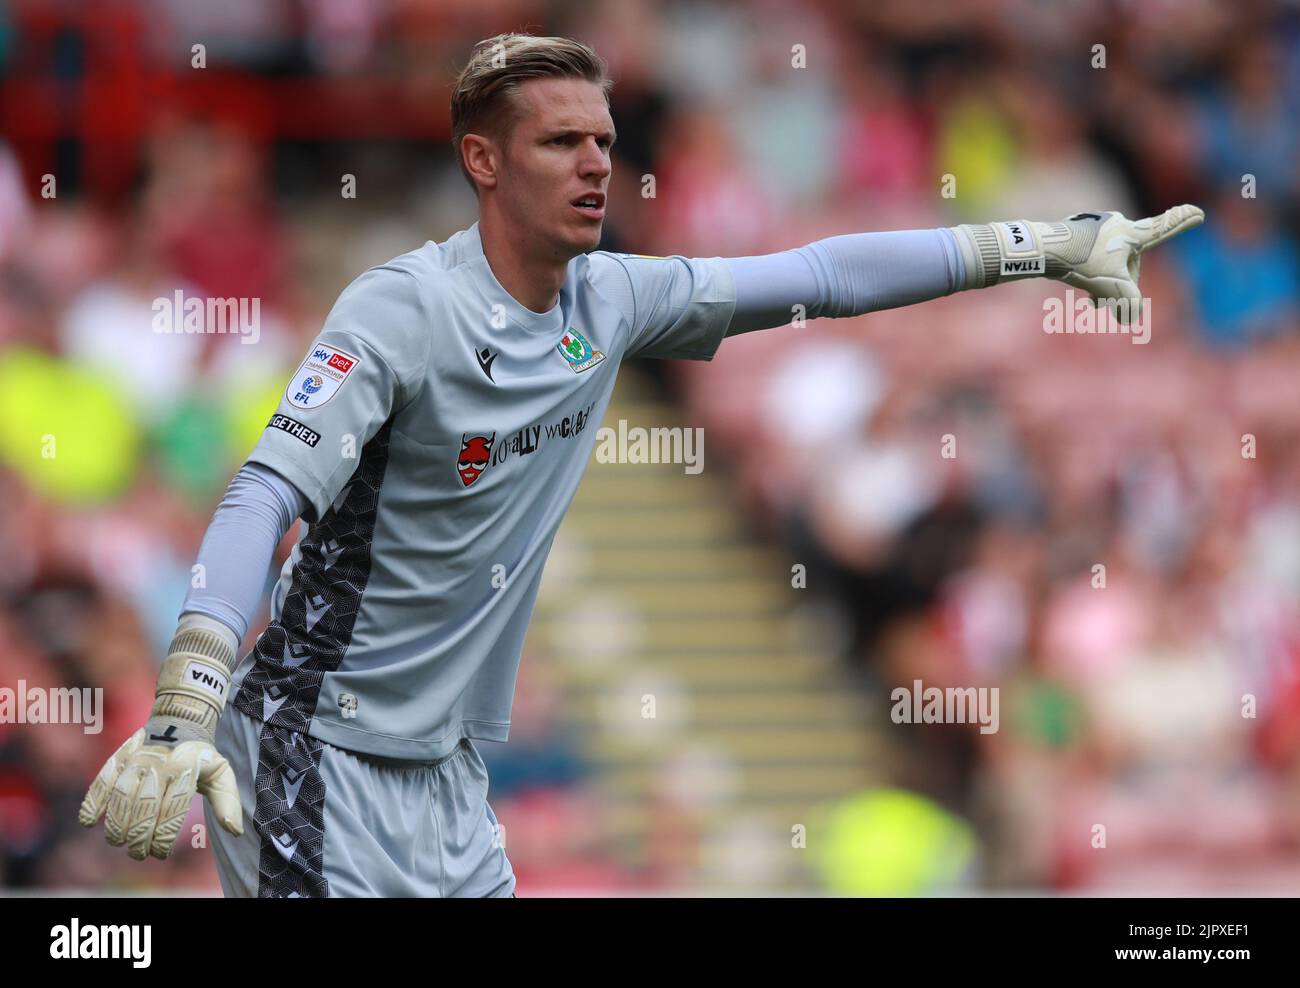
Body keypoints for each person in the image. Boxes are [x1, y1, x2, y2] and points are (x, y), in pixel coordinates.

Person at [77, 33, 1203, 897]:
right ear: (481, 159)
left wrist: (1041, 245)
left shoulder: (610, 300)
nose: (595, 164)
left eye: (605, 142)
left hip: (447, 779)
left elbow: (822, 273)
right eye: (560, 142)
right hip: (314, 751)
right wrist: (186, 697)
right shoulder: (398, 311)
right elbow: (264, 490)